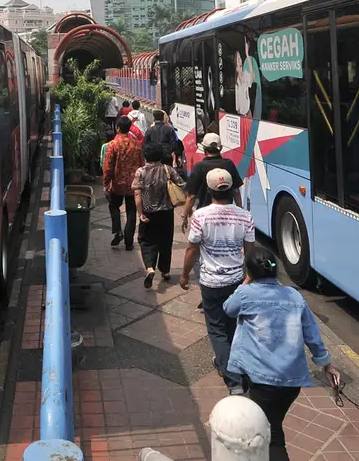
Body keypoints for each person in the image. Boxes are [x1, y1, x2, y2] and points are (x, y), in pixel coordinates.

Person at [225, 246, 342, 461]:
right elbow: (311, 334)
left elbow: (228, 308)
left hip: (262, 381)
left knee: (271, 437)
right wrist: (326, 364)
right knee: (270, 425)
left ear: (249, 272)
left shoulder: (245, 293)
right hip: (291, 383)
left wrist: (244, 283)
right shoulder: (294, 296)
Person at [180, 168, 255, 394]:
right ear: (232, 190)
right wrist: (249, 278)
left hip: (211, 282)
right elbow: (250, 250)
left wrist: (184, 275)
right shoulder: (245, 216)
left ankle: (234, 382)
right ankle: (235, 366)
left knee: (217, 330)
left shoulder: (200, 216)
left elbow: (192, 248)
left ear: (210, 190)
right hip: (237, 282)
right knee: (233, 326)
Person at [133, 142, 184, 288]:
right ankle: (165, 270)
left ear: (145, 155)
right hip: (166, 212)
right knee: (166, 241)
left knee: (146, 240)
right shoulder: (168, 170)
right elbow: (181, 184)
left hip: (148, 212)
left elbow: (137, 193)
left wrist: (140, 213)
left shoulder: (140, 172)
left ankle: (150, 268)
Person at [102, 116, 144, 250]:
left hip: (117, 184)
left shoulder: (113, 145)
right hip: (133, 184)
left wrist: (105, 183)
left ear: (117, 128)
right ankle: (129, 241)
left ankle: (117, 231)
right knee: (131, 211)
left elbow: (108, 166)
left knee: (114, 206)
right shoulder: (136, 144)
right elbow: (141, 164)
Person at [182, 134, 242, 224]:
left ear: (204, 149)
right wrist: (239, 211)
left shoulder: (200, 167)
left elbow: (191, 196)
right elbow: (236, 191)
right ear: (221, 148)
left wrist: (185, 215)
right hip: (227, 216)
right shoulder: (229, 164)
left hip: (205, 216)